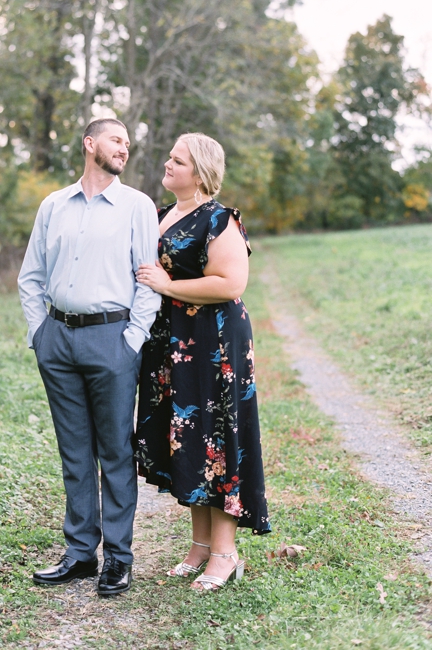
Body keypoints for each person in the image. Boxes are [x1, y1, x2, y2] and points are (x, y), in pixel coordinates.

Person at [18, 117, 161, 597]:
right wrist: (39, 333)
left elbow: (149, 279)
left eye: (127, 143)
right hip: (57, 338)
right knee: (74, 450)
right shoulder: (53, 205)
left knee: (115, 451)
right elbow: (31, 276)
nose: (125, 148)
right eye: (116, 140)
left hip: (112, 339)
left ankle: (118, 558)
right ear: (90, 144)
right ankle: (80, 552)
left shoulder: (137, 206)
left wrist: (133, 338)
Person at [133, 132, 270, 591]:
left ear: (201, 172)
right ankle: (199, 546)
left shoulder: (218, 219)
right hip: (171, 344)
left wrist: (166, 285)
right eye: (170, 157)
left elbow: (231, 283)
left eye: (178, 161)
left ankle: (225, 554)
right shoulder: (160, 213)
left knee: (216, 442)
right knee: (185, 440)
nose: (167, 164)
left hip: (214, 346)